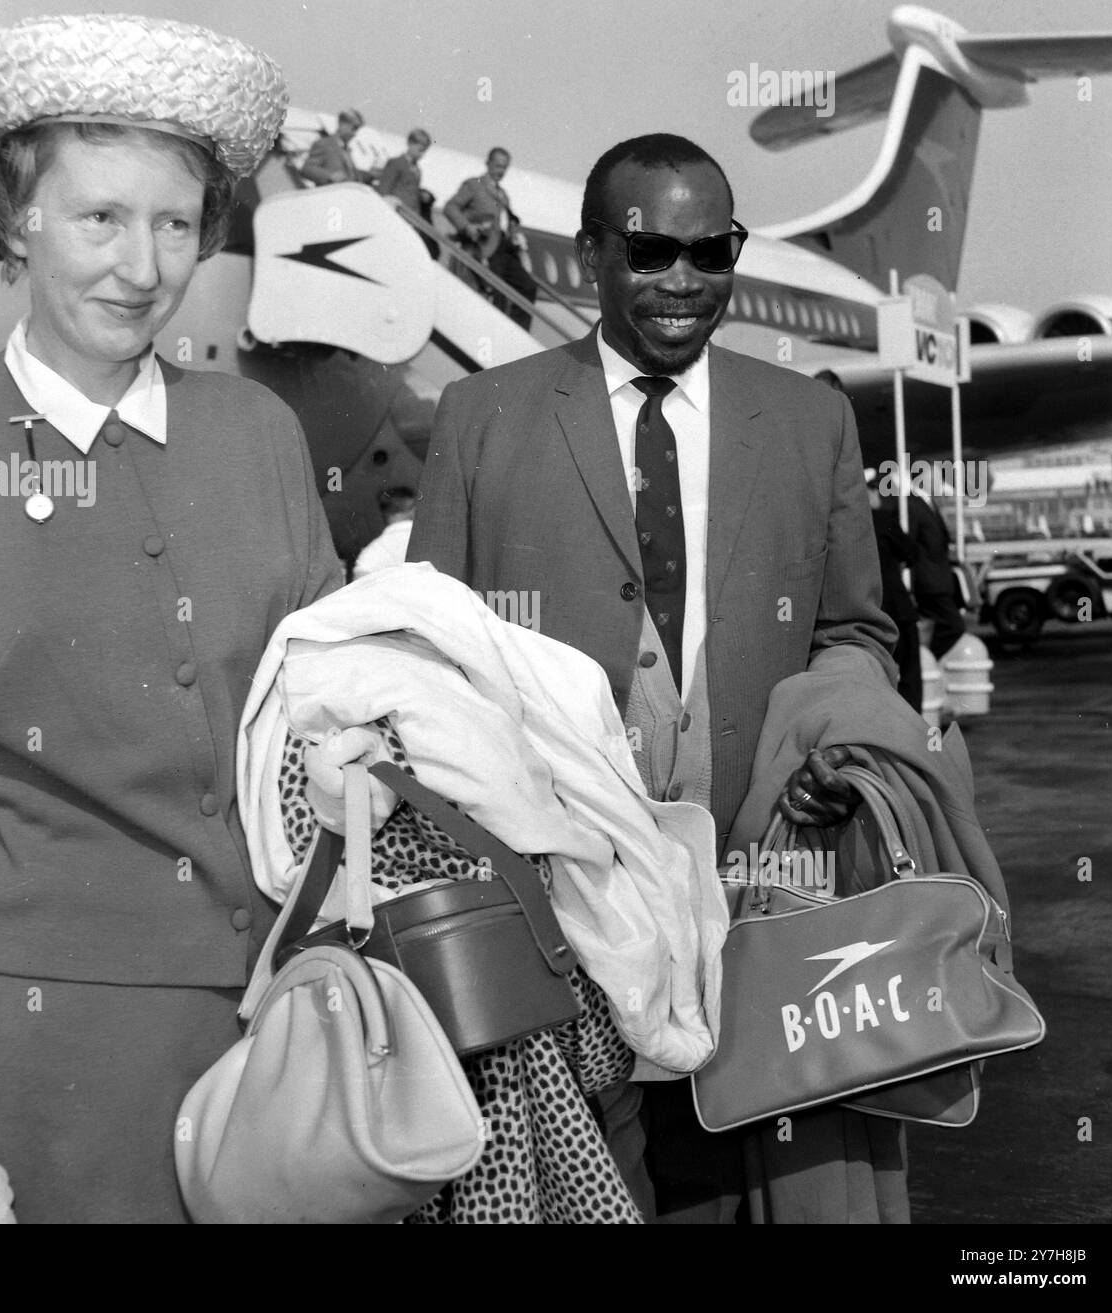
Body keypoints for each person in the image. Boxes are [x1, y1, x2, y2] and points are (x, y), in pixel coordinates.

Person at [0, 13, 342, 1224]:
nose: (143, 266)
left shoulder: (261, 436)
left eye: (175, 224)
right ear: (16, 219)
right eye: (99, 218)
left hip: (304, 1016)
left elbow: (335, 690)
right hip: (68, 1057)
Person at [408, 133, 903, 1223]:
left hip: (763, 880)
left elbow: (856, 632)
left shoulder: (809, 420)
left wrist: (833, 746)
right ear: (592, 255)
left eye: (709, 250)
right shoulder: (481, 418)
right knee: (595, 1184)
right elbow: (425, 661)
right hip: (562, 897)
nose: (684, 280)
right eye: (650, 252)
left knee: (752, 1177)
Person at [444, 147, 537, 330]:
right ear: (488, 163)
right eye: (497, 166)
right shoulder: (474, 185)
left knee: (528, 286)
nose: (500, 171)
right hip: (484, 247)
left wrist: (515, 235)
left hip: (505, 248)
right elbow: (451, 207)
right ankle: (497, 333)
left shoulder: (504, 195)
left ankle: (519, 332)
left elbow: (506, 222)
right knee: (498, 291)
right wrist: (467, 226)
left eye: (504, 168)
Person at [868, 471, 923, 712]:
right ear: (870, 493)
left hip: (870, 609)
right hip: (898, 607)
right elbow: (910, 551)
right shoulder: (882, 519)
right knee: (910, 671)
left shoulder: (848, 525)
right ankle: (913, 726)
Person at [908, 489, 966, 657]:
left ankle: (927, 661)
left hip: (937, 579)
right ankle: (929, 660)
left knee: (943, 626)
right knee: (954, 625)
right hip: (929, 581)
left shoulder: (928, 503)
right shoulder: (913, 504)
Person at [376, 129, 439, 258]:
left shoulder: (417, 170)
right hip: (396, 217)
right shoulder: (396, 163)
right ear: (410, 144)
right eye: (420, 150)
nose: (422, 155)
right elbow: (384, 190)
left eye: (424, 151)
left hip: (411, 219)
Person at [352, 485, 417, 578]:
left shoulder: (370, 555)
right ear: (413, 509)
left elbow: (358, 588)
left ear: (384, 513)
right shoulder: (435, 544)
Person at [298, 107, 370, 185]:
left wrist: (370, 174)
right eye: (354, 128)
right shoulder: (325, 144)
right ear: (342, 124)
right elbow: (307, 169)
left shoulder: (346, 149)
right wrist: (329, 176)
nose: (354, 134)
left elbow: (350, 176)